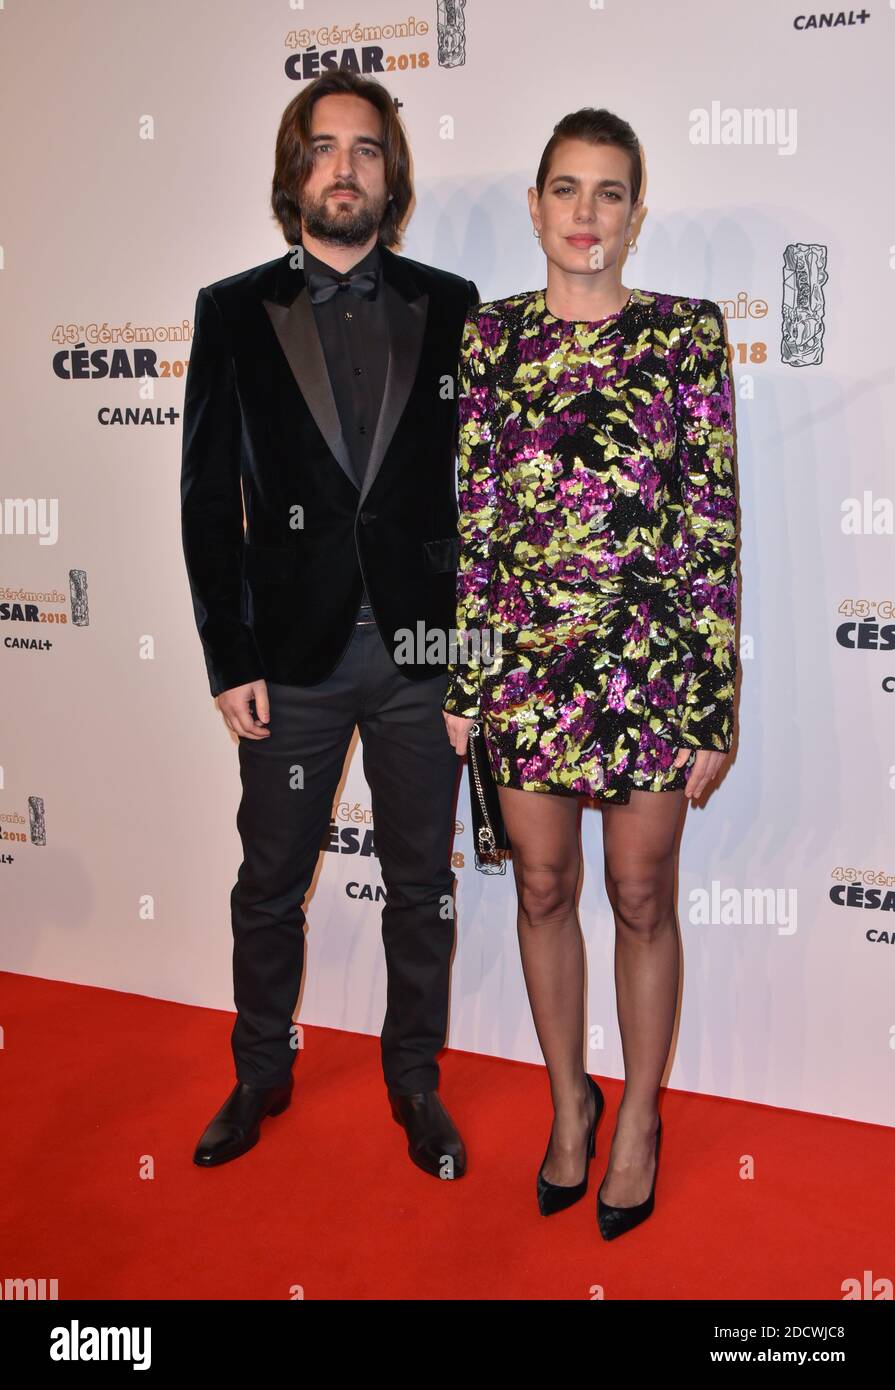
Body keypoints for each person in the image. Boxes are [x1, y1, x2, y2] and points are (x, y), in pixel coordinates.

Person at [441, 108, 738, 1237]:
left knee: (640, 895)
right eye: (565, 189)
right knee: (542, 889)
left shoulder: (685, 335)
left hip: (653, 675)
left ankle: (641, 1119)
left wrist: (716, 698)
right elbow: (471, 522)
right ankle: (569, 1101)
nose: (584, 214)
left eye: (608, 192)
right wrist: (465, 679)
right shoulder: (488, 340)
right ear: (533, 206)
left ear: (636, 212)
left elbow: (711, 521)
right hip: (522, 667)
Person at [181, 71, 478, 1178]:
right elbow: (209, 499)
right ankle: (259, 1072)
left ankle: (415, 1083)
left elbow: (489, 502)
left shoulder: (453, 304)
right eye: (322, 148)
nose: (344, 167)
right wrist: (228, 656)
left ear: (389, 174)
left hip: (424, 663)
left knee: (421, 887)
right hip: (289, 666)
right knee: (268, 884)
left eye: (364, 149)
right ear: (291, 170)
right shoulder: (230, 310)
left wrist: (476, 670)